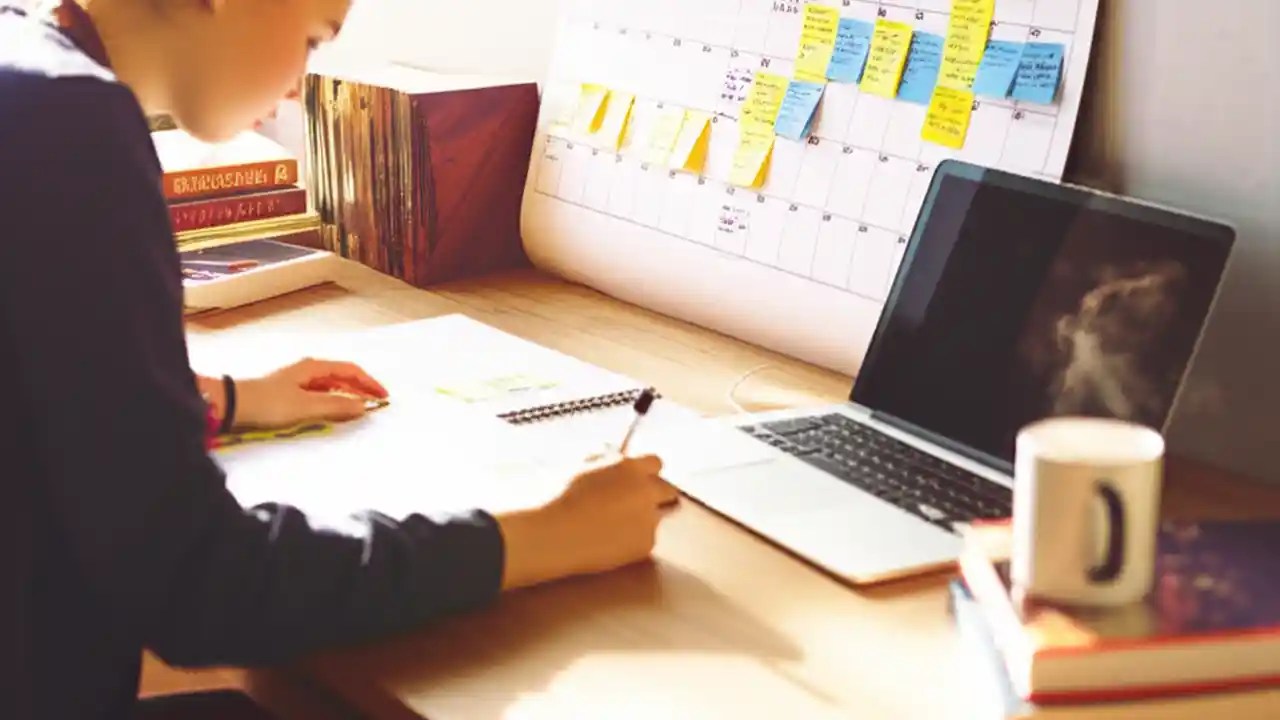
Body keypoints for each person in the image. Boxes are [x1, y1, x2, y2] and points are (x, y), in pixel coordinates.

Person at [0, 2, 677, 718]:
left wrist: (222, 399)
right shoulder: (69, 126)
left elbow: (45, 383)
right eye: (312, 38)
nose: (300, 84)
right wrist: (539, 536)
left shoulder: (25, 74)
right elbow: (200, 587)